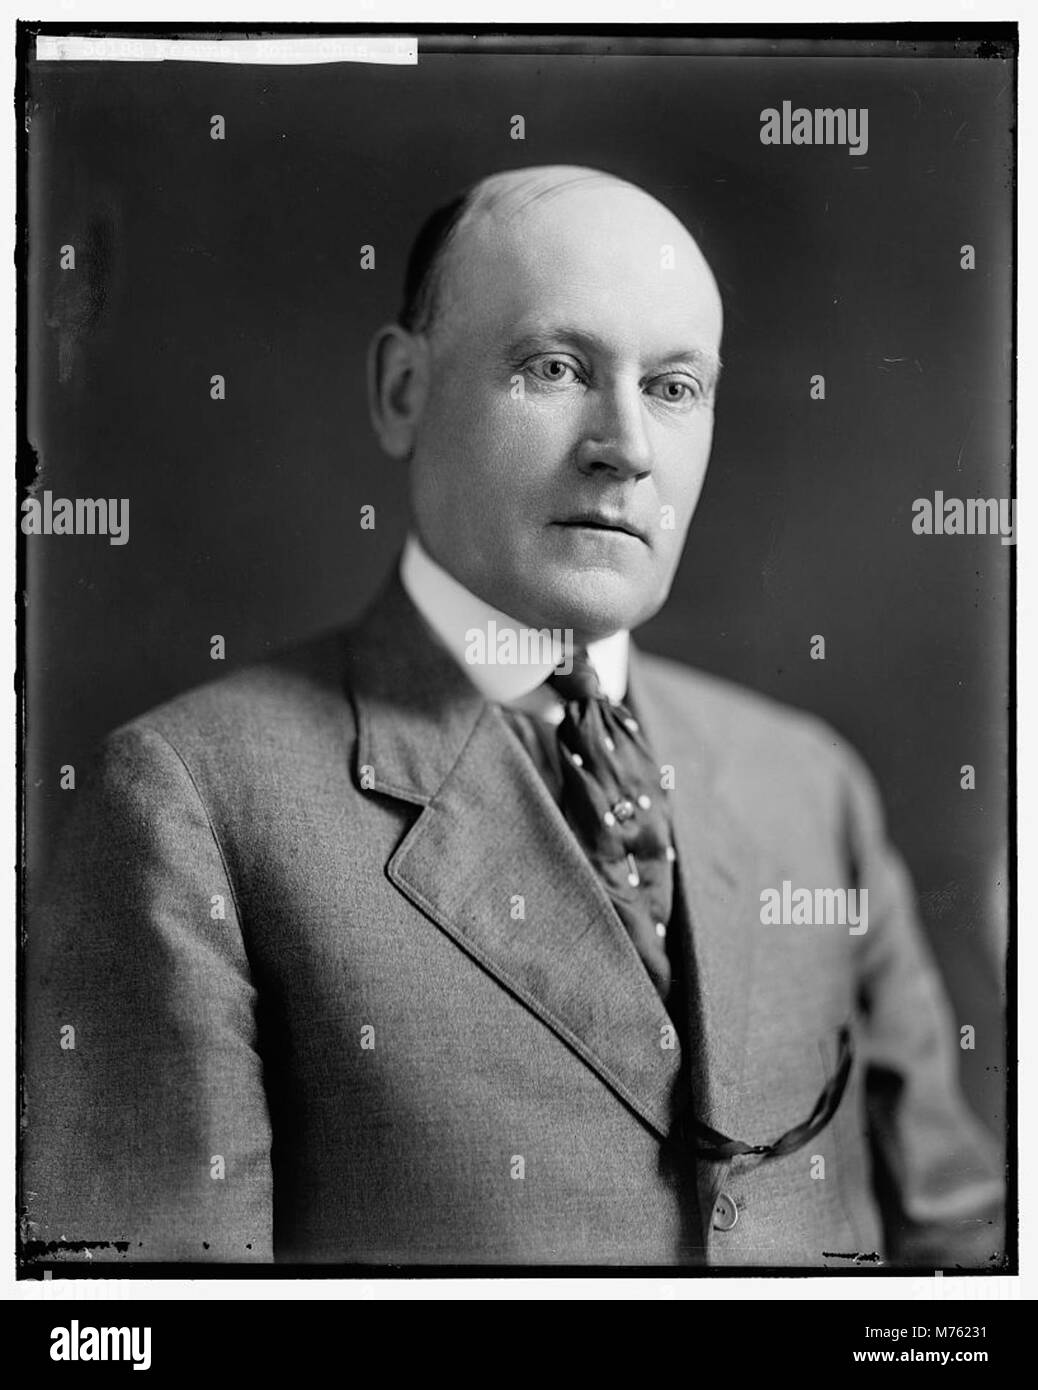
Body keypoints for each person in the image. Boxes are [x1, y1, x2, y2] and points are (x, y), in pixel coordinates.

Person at [23, 165, 1004, 1268]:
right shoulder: (191, 800)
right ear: (403, 391)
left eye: (675, 387)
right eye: (556, 368)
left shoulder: (809, 783)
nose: (624, 444)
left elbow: (962, 1262)